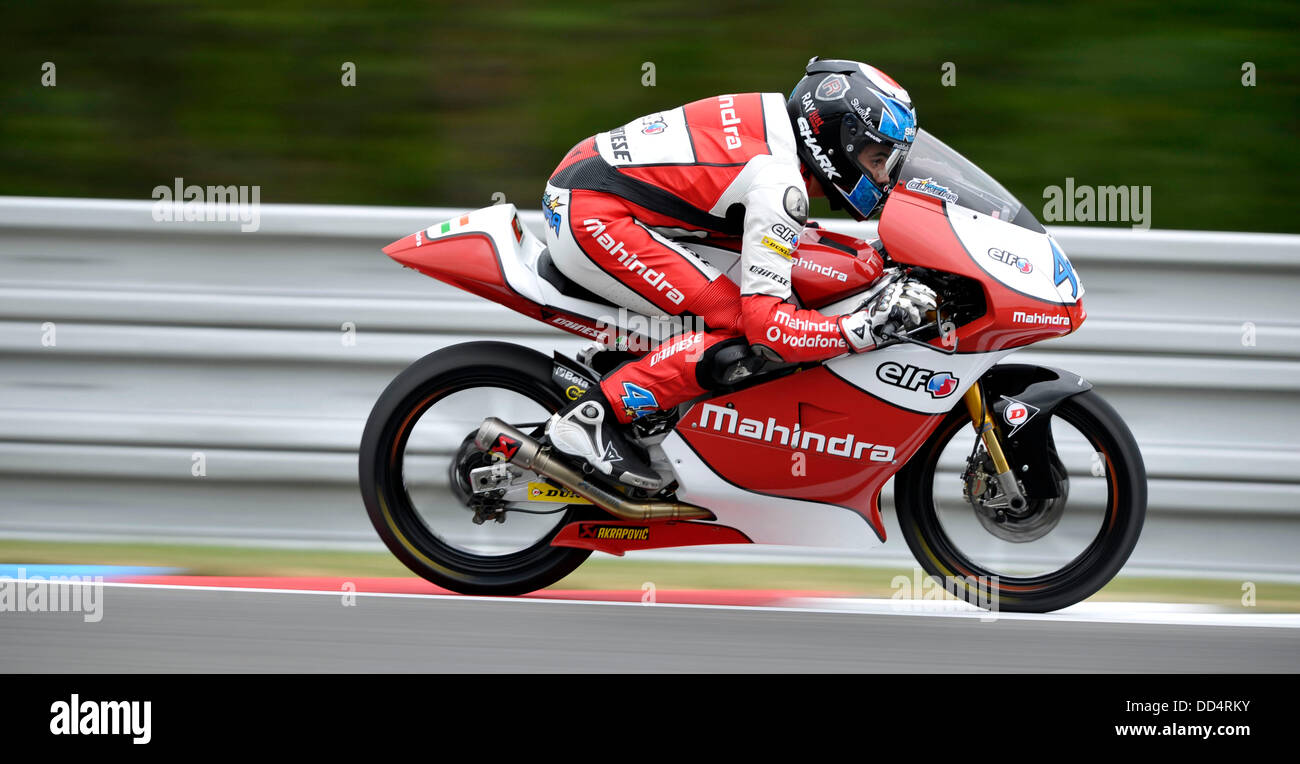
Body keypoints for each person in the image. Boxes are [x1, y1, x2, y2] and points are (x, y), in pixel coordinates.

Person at [541, 58, 938, 490]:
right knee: (740, 329)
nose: (881, 176)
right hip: (594, 213)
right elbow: (769, 330)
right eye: (876, 158)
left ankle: (639, 377)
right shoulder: (778, 183)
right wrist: (864, 329)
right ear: (840, 136)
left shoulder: (776, 122)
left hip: (592, 180)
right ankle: (594, 416)